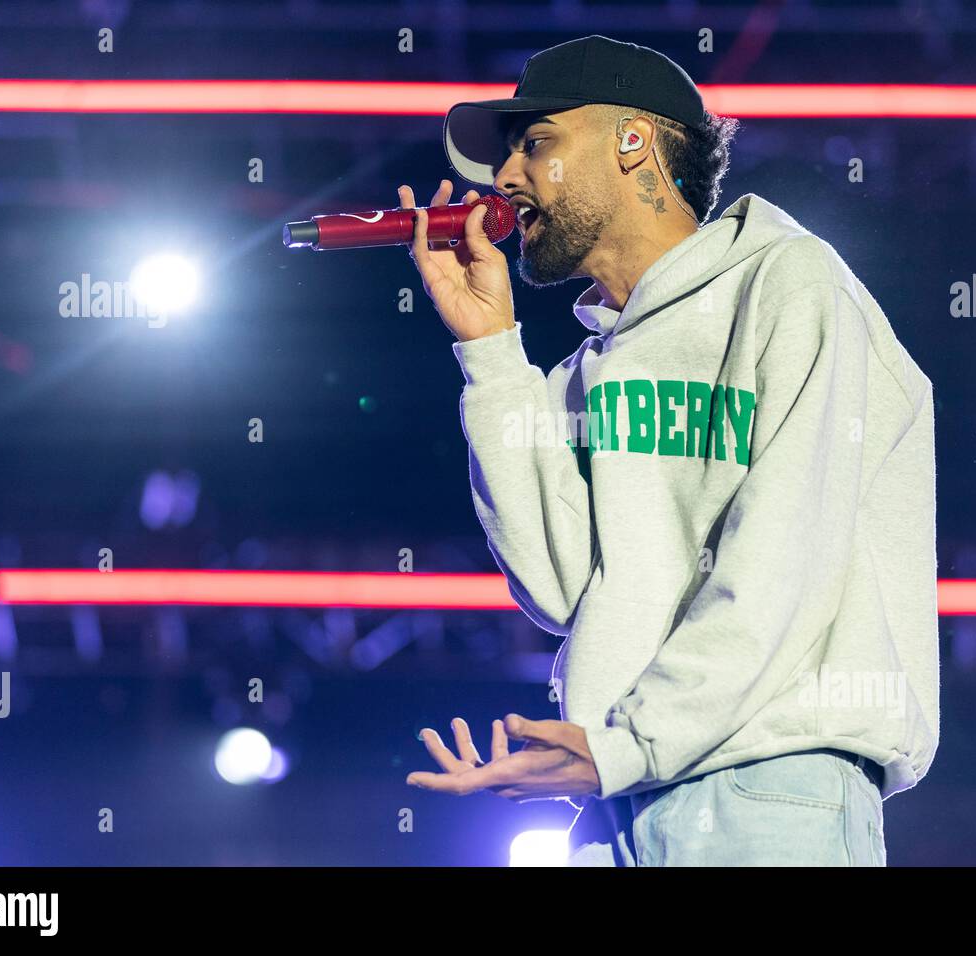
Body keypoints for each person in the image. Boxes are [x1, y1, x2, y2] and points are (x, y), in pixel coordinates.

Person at [402, 34, 938, 866]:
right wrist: (492, 351)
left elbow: (786, 556)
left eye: (535, 144)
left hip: (768, 787)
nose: (503, 179)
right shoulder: (588, 372)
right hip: (617, 798)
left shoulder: (790, 282)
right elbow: (556, 586)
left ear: (633, 142)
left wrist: (628, 743)